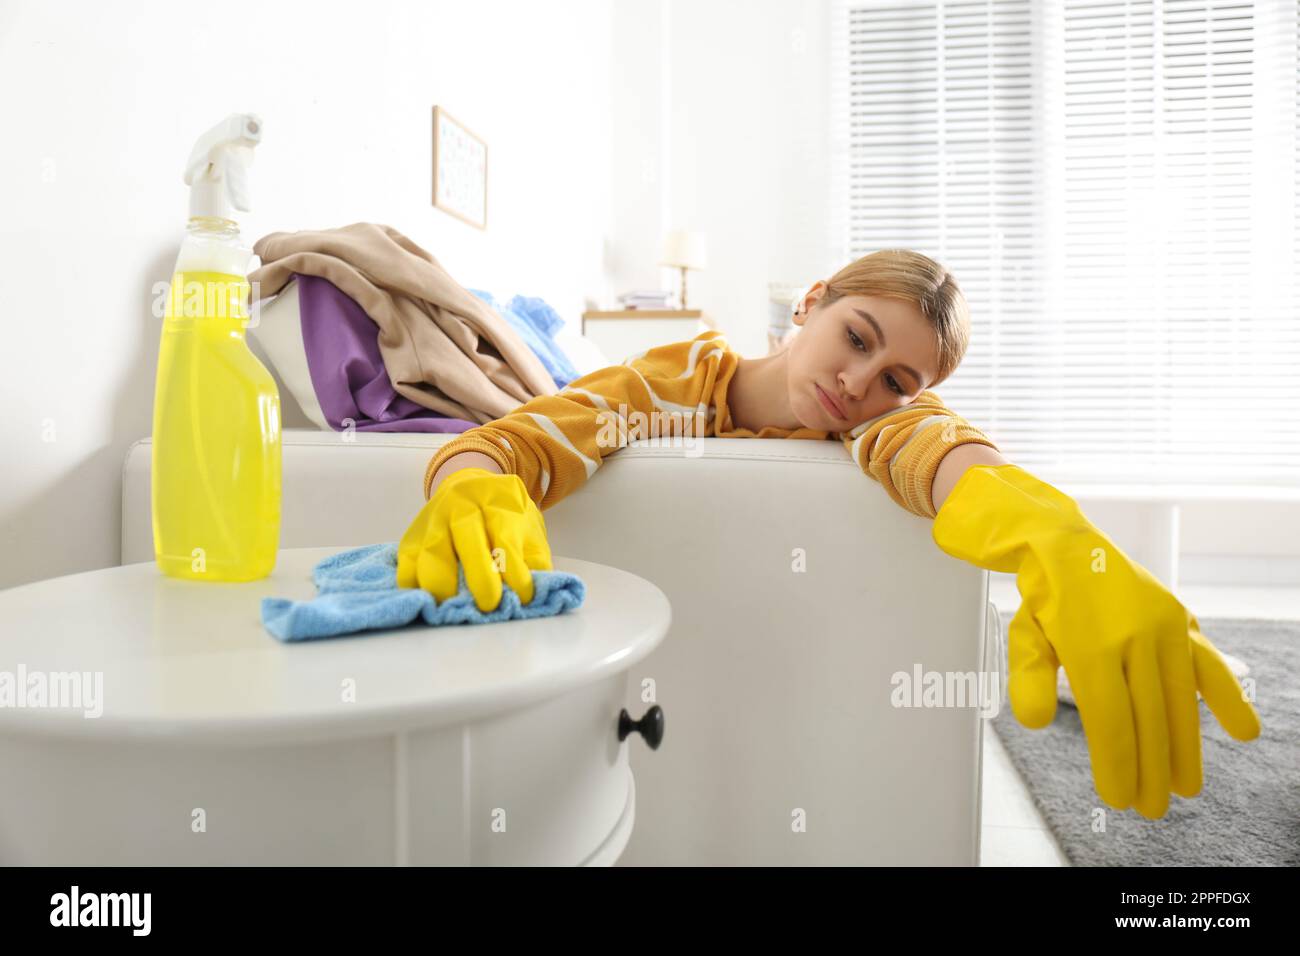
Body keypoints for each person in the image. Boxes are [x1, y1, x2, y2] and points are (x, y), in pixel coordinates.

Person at [397, 249, 1261, 821]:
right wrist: (469, 489)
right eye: (854, 337)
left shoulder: (870, 429)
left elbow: (944, 450)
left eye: (896, 378)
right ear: (811, 305)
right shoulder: (672, 382)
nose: (856, 382)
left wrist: (1058, 535)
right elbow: (514, 442)